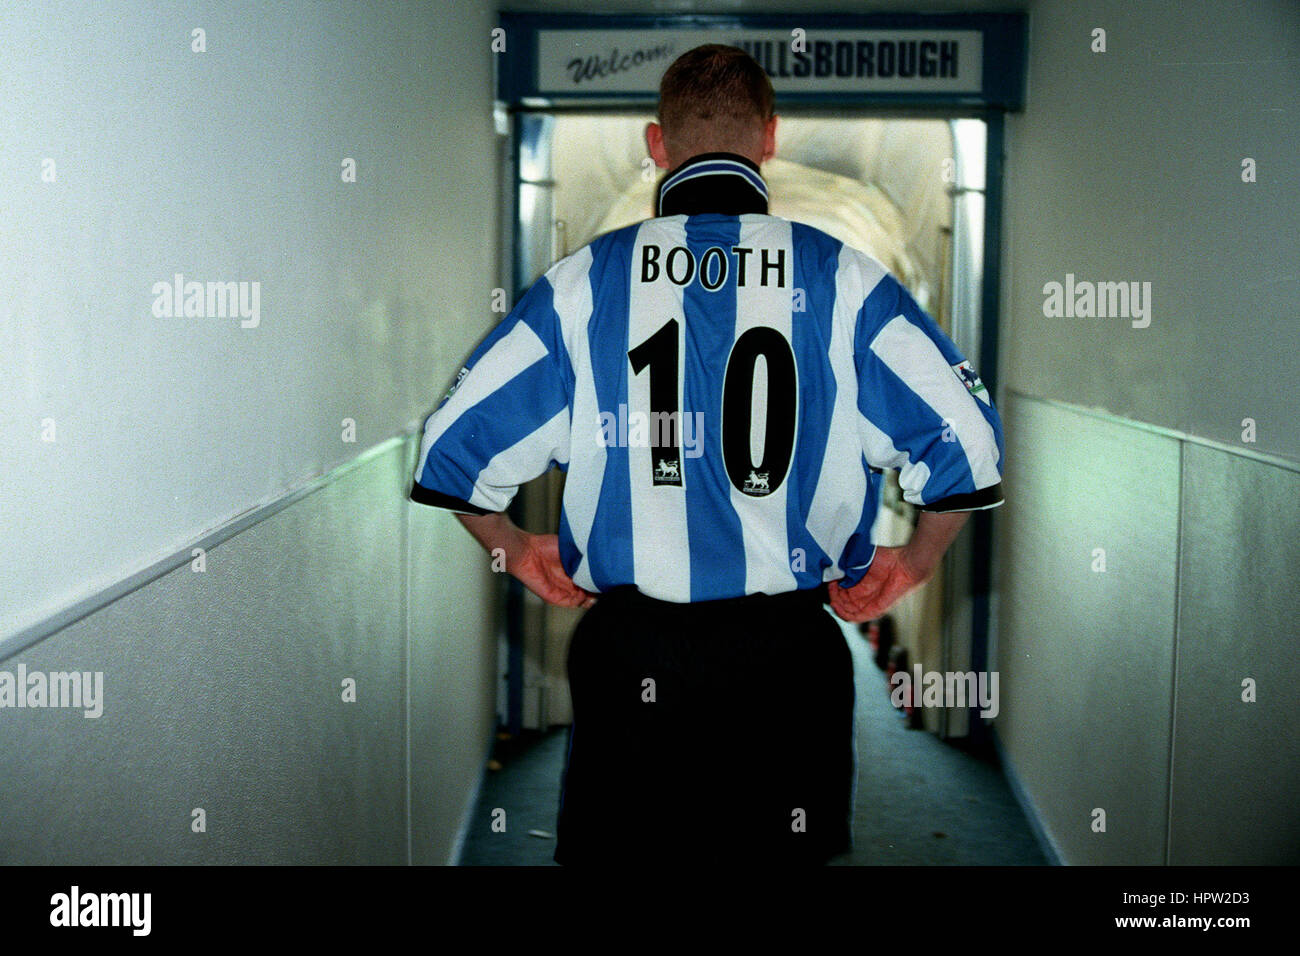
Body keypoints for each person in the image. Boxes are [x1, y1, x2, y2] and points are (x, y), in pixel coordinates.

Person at [409, 44, 1004, 865]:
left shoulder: (586, 283)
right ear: (769, 137)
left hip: (633, 657)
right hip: (789, 663)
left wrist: (514, 551)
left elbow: (449, 451)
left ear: (658, 146)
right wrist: (919, 561)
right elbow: (966, 443)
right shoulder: (846, 281)